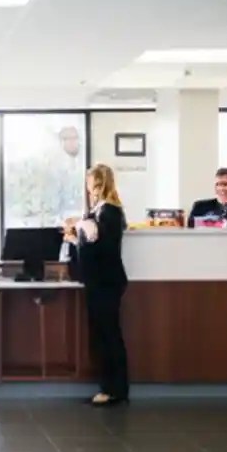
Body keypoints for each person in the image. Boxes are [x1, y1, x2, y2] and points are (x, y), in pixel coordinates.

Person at [68, 163, 130, 407]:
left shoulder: (109, 212)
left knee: (108, 336)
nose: (88, 188)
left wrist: (79, 238)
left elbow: (101, 248)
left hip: (106, 282)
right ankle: (110, 388)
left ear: (99, 184)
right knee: (104, 335)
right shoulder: (100, 212)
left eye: (91, 183)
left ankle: (114, 389)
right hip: (100, 281)